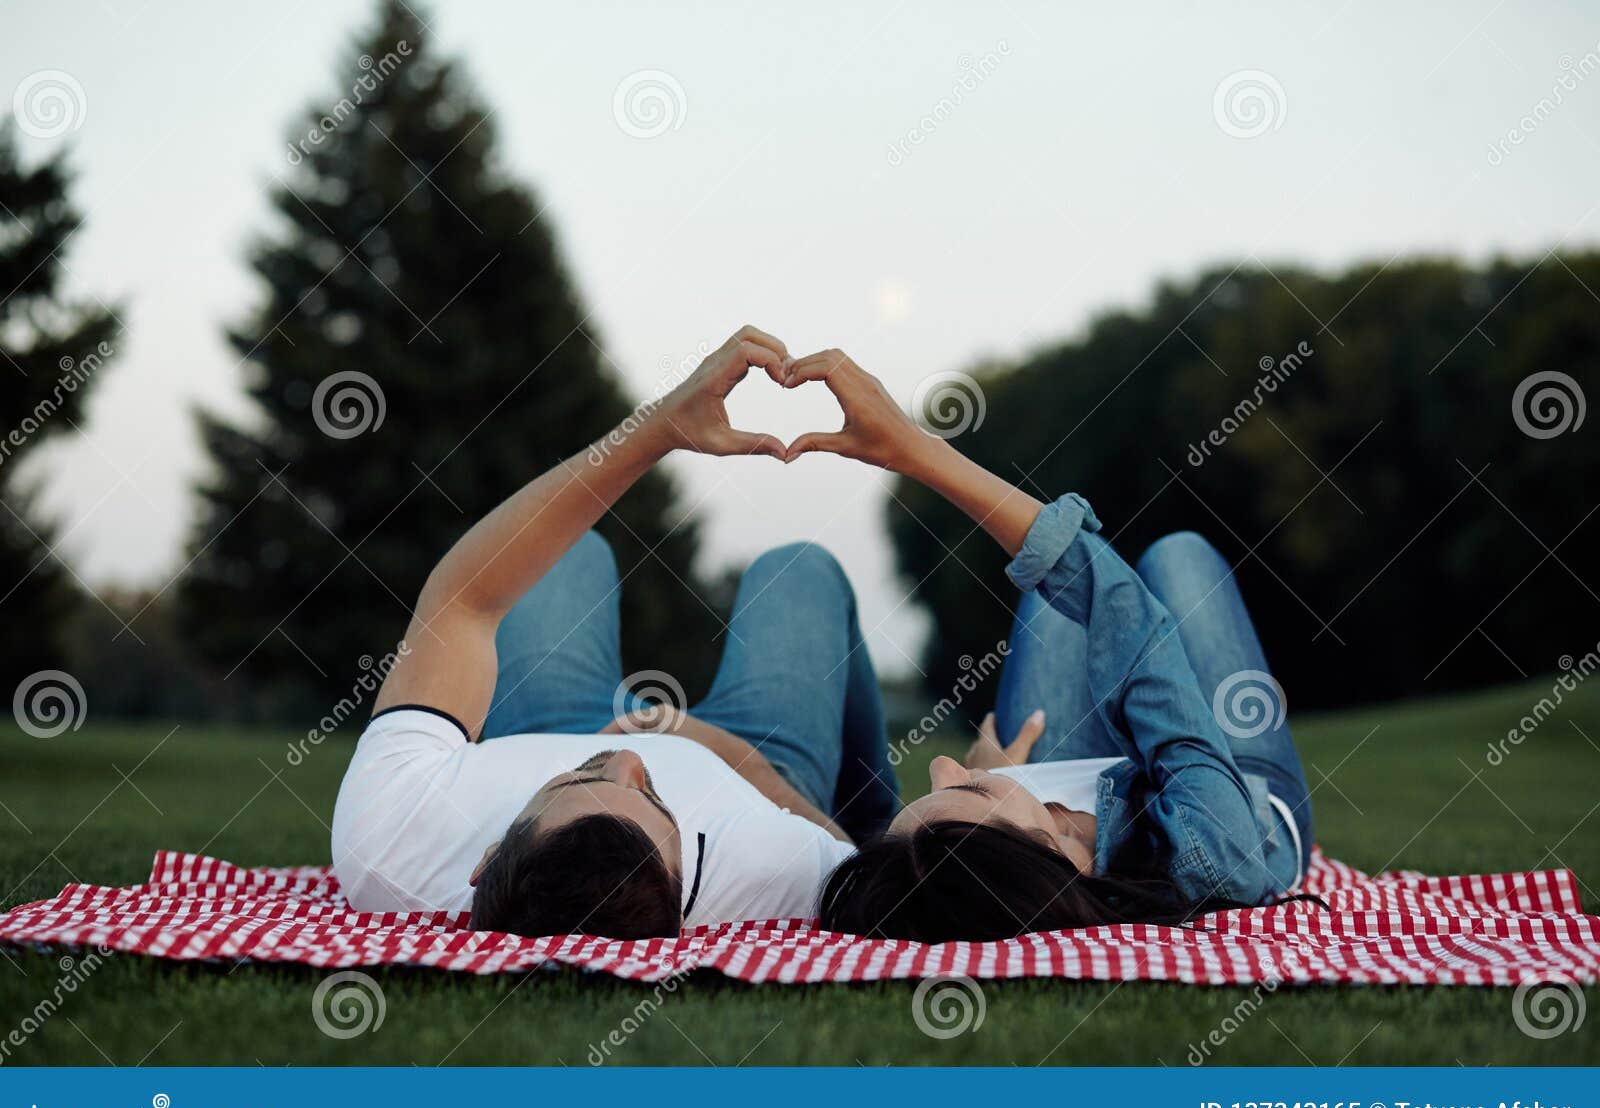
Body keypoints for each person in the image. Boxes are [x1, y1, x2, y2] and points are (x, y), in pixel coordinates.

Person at [330, 327, 899, 939]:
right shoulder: (767, 865)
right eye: (655, 798)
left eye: (585, 779)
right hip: (753, 771)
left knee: (565, 557)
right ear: (688, 892)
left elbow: (465, 602)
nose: (631, 760)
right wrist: (723, 753)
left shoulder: (388, 839)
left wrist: (657, 430)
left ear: (487, 860)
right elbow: (856, 873)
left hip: (548, 724)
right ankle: (880, 819)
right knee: (797, 569)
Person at [776, 349, 1314, 942]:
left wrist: (998, 782)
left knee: (1051, 606)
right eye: (969, 788)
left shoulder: (1015, 854)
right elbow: (1133, 628)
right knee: (1178, 557)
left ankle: (1016, 782)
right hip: (1248, 791)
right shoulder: (1210, 855)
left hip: (1077, 797)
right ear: (1053, 852)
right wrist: (919, 451)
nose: (940, 764)